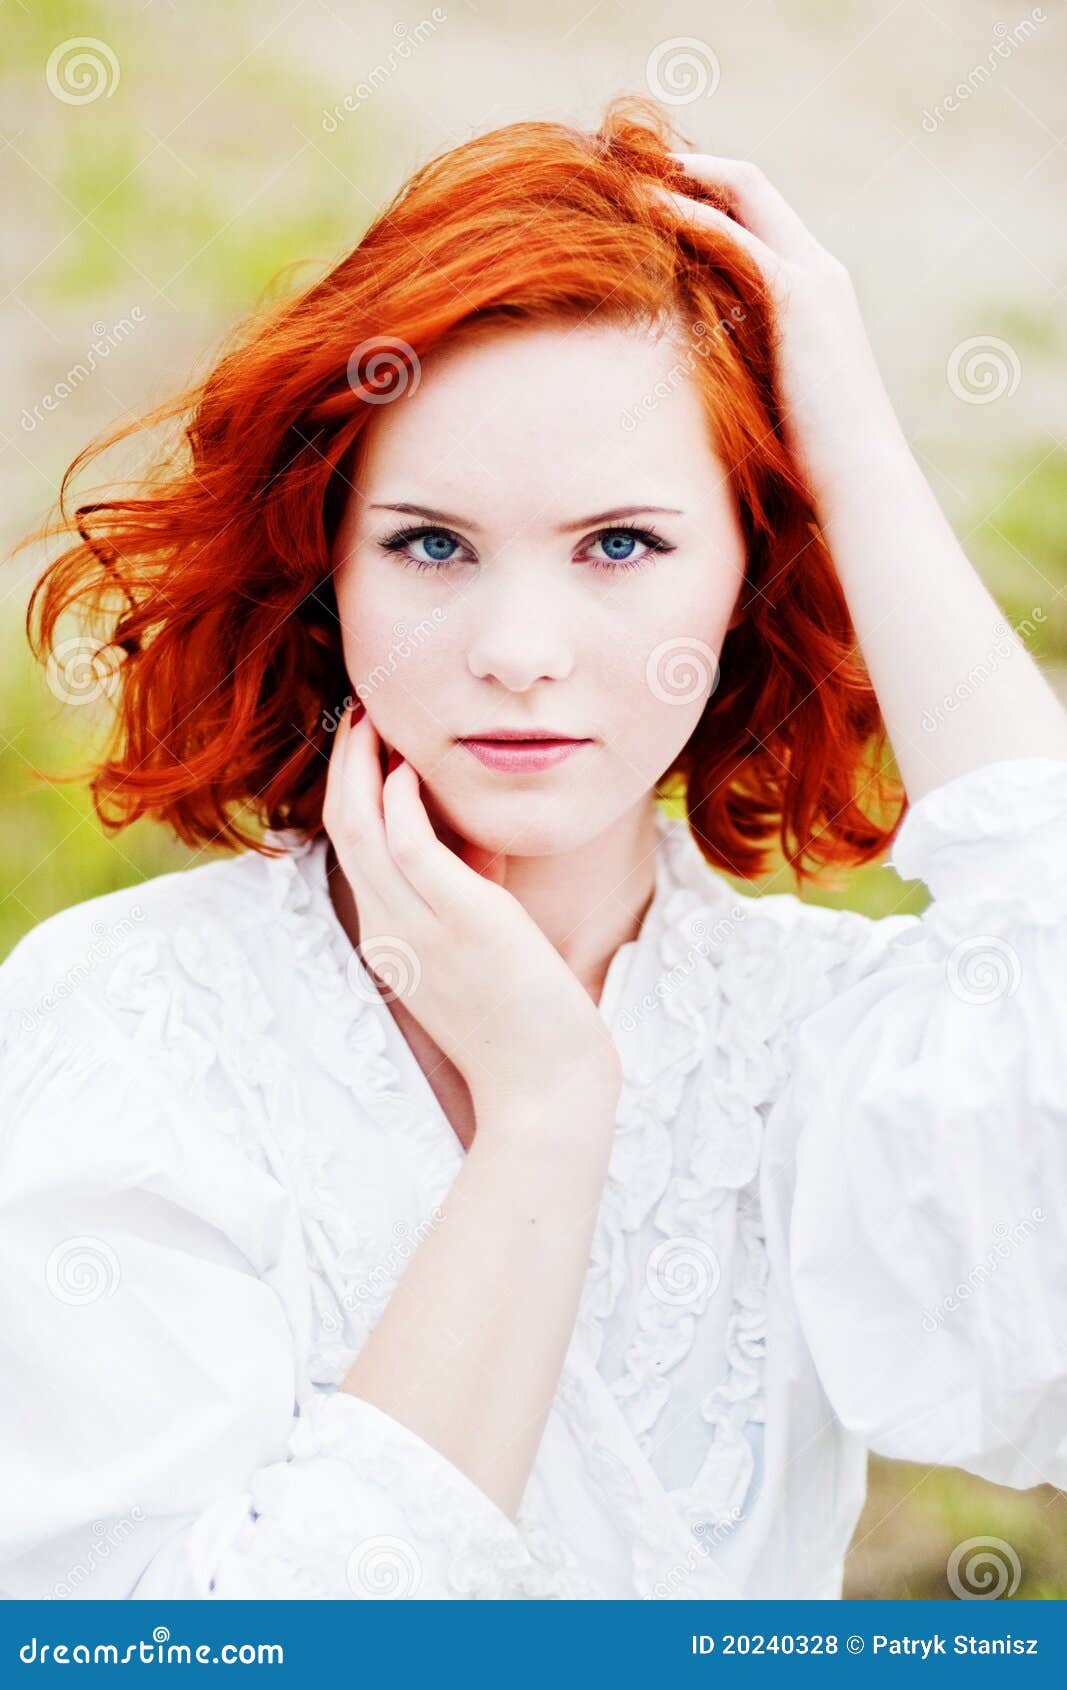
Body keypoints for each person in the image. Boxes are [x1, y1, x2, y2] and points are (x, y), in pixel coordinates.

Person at [1, 96, 1065, 1602]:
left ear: (749, 572)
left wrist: (861, 452)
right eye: (430, 543)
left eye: (623, 545)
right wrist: (547, 1110)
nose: (518, 650)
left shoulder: (816, 1039)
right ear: (330, 574)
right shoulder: (127, 1023)